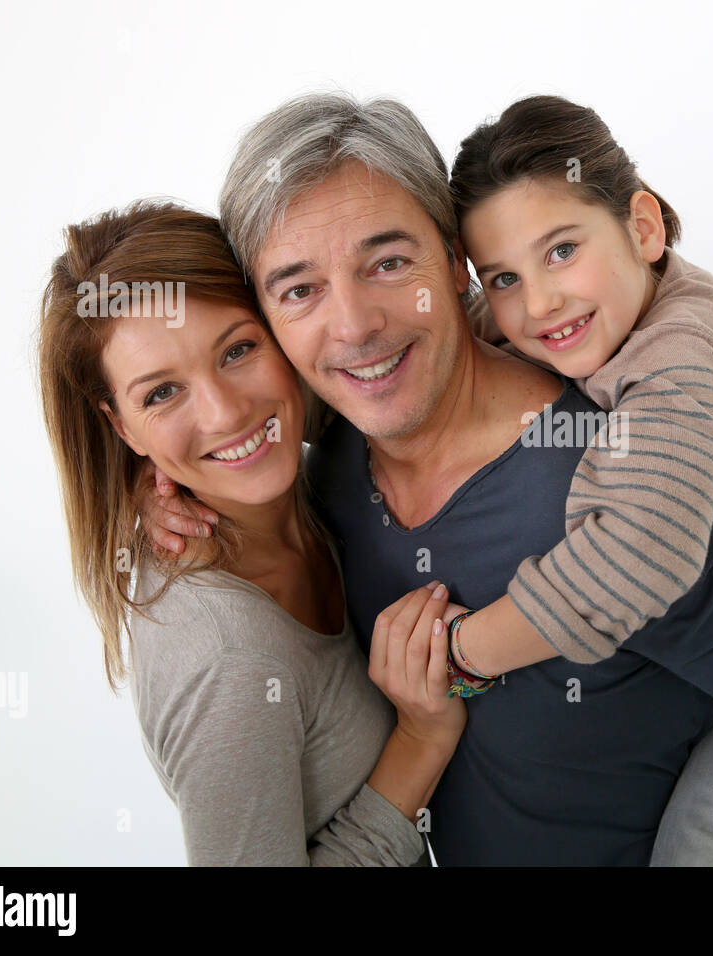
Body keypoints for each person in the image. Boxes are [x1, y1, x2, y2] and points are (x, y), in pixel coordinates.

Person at [143, 91, 713, 866]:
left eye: (388, 262)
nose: (352, 325)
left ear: (453, 263)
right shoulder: (333, 470)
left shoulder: (631, 491)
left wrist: (460, 658)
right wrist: (152, 501)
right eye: (299, 290)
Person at [36, 200, 465, 866]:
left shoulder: (329, 469)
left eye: (237, 350)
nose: (225, 411)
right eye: (160, 394)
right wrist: (422, 739)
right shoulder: (228, 664)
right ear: (120, 426)